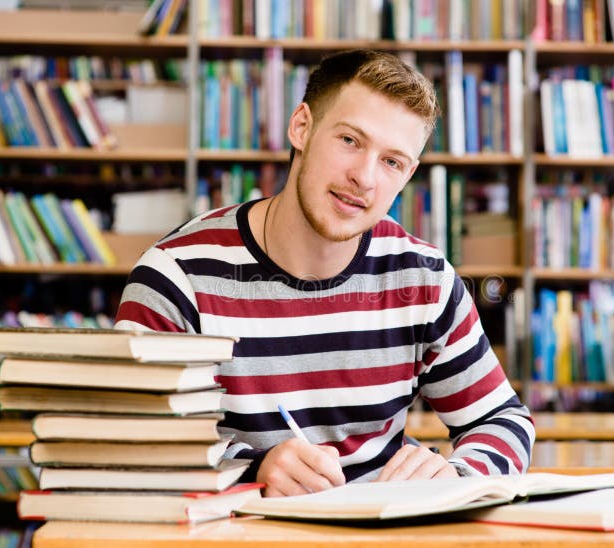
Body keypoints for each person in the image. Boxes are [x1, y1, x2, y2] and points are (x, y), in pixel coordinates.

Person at [115, 49, 535, 497]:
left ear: (408, 174)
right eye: (350, 141)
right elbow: (128, 449)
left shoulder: (423, 280)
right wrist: (251, 472)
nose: (364, 178)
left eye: (391, 161)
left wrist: (457, 475)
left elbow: (502, 420)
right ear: (302, 127)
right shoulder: (175, 279)